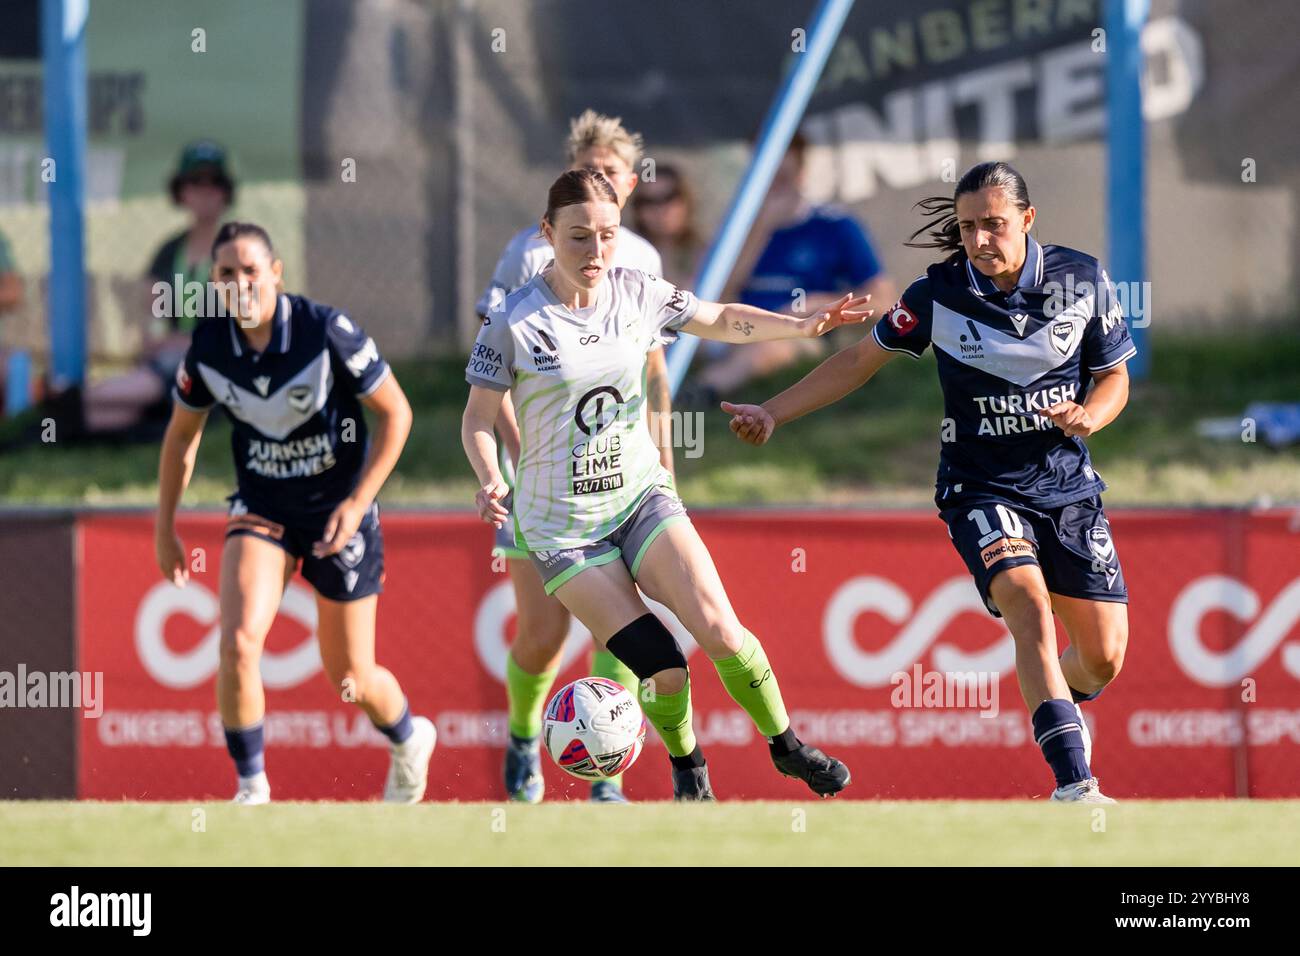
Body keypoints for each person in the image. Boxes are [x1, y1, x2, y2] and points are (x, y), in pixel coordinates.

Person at [724, 161, 1135, 803]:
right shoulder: (938, 295)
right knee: (1026, 606)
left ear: (1027, 220)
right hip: (980, 487)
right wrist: (772, 411)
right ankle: (1074, 784)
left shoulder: (1082, 278)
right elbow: (859, 361)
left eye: (993, 225)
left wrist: (1091, 416)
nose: (978, 240)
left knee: (1105, 656)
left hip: (1067, 487)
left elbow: (1114, 376)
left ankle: (1059, 703)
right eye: (967, 227)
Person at [463, 168, 870, 800]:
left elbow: (719, 318)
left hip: (639, 496)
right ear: (547, 235)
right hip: (563, 529)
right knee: (662, 665)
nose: (594, 252)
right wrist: (491, 476)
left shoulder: (639, 291)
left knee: (721, 630)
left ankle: (786, 746)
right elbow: (478, 418)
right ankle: (690, 771)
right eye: (577, 238)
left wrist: (801, 325)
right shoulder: (513, 321)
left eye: (606, 235)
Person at [154, 221, 435, 805]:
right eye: (226, 273)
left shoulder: (325, 329)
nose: (240, 283)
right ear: (213, 281)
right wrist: (166, 529)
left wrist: (358, 504)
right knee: (235, 644)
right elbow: (181, 438)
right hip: (262, 508)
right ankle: (251, 791)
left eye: (251, 270)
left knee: (351, 680)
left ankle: (409, 738)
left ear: (276, 274)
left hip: (338, 512)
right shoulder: (208, 346)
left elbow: (397, 414)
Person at [476, 110, 674, 804]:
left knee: (624, 626)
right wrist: (523, 453)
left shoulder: (640, 263)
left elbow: (653, 373)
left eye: (615, 175)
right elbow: (489, 369)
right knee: (543, 633)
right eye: (590, 170)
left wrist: (665, 459)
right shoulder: (528, 257)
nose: (603, 185)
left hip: (619, 483)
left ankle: (607, 779)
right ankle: (525, 738)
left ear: (628, 183)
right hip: (543, 490)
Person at [688, 133, 892, 403]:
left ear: (801, 170)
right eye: (766, 175)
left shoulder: (836, 226)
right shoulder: (737, 229)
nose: (774, 186)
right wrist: (761, 229)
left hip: (800, 331)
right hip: (739, 325)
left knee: (772, 347)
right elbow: (713, 293)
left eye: (782, 176)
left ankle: (701, 391)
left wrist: (815, 303)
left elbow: (883, 302)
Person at [630, 164, 705, 289]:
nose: (659, 209)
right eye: (648, 201)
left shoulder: (713, 256)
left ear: (686, 200)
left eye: (669, 197)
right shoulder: (626, 257)